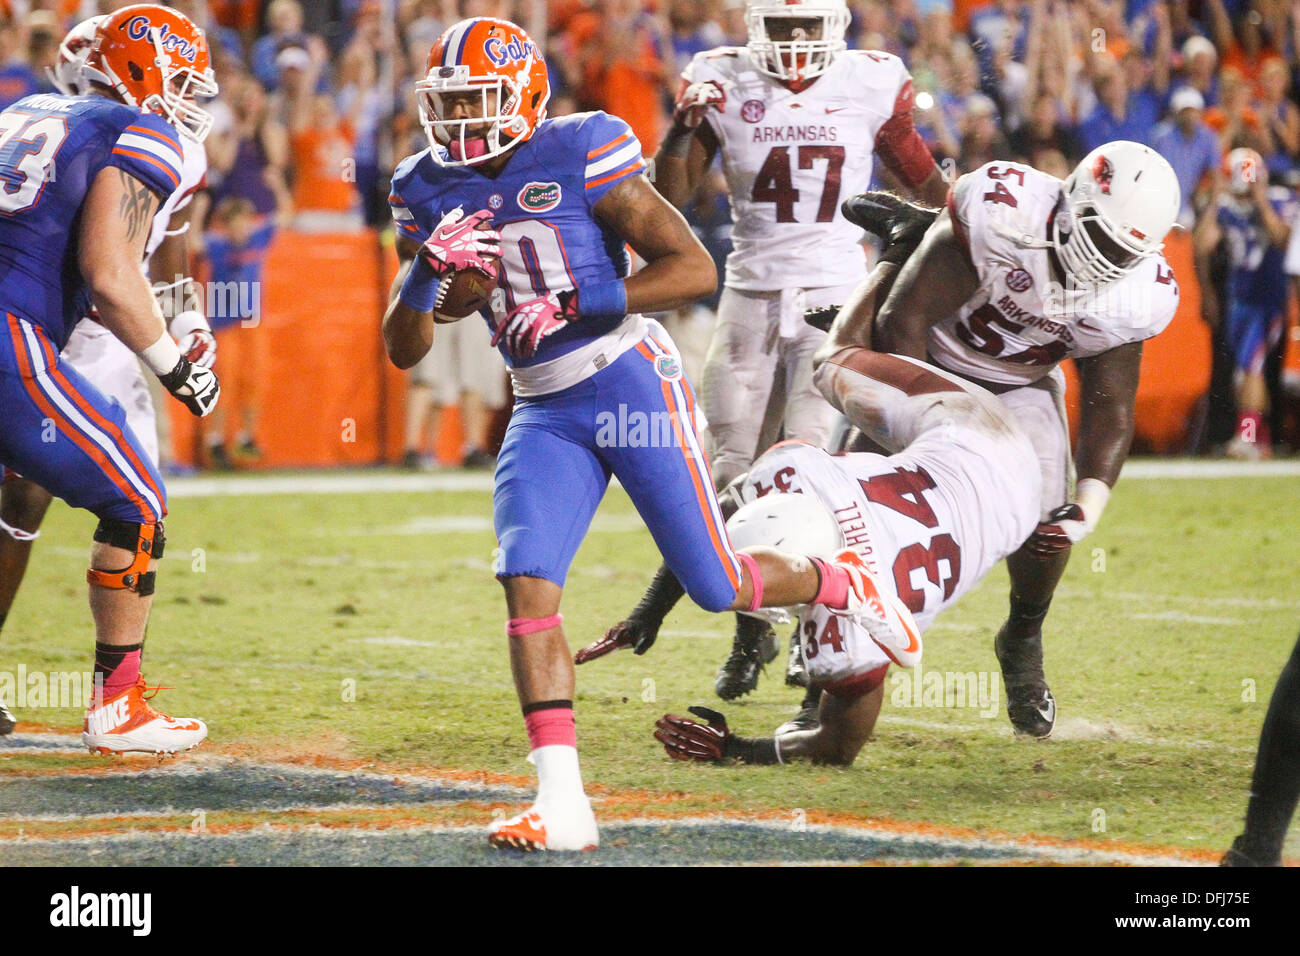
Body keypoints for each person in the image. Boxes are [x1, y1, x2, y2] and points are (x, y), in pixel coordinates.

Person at [383, 16, 920, 852]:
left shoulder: (580, 148)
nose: (460, 122)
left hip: (628, 378)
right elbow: (404, 345)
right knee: (526, 584)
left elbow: (693, 268)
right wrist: (428, 272)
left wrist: (575, 302)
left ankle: (841, 580)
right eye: (448, 104)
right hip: (542, 404)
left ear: (524, 96)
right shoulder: (423, 185)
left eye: (479, 101)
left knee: (715, 583)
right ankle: (562, 803)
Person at [652, 0, 947, 700]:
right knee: (728, 473)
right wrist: (683, 128)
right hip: (750, 292)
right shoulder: (722, 79)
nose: (793, 40)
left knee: (806, 465)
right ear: (757, 28)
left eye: (805, 26)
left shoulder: (870, 81)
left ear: (833, 27)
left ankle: (820, 637)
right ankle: (751, 631)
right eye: (780, 27)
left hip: (832, 297)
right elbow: (669, 199)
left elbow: (927, 185)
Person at [845, 141, 1181, 740]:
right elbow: (906, 320)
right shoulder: (1006, 212)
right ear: (1072, 199)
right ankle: (829, 664)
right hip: (932, 359)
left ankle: (1022, 635)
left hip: (1019, 382)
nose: (1104, 260)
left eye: (1123, 252)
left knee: (1051, 522)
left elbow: (1109, 402)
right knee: (852, 501)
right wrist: (915, 429)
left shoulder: (1139, 294)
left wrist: (1092, 501)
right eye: (1099, 238)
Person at [645, 341, 1041, 766]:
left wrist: (735, 749)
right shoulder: (797, 474)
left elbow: (836, 747)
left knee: (839, 359)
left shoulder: (851, 640)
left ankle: (880, 284)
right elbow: (720, 518)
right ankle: (852, 320)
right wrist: (650, 609)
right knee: (831, 359)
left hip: (1018, 507)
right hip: (971, 431)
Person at [0, 5, 220, 752]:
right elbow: (109, 275)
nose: (191, 99)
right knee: (137, 497)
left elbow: (163, 250)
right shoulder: (147, 132)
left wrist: (186, 321)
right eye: (181, 81)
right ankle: (117, 707)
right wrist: (176, 368)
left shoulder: (26, 108)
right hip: (17, 336)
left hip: (31, 326)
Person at [1195, 147, 1295, 460]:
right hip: (1239, 298)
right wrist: (1215, 199)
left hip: (1268, 297)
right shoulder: (1225, 207)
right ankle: (1259, 439)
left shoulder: (1279, 199)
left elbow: (1282, 238)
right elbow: (1202, 244)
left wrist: (1261, 199)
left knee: (1251, 368)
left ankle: (1247, 436)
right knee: (1246, 373)